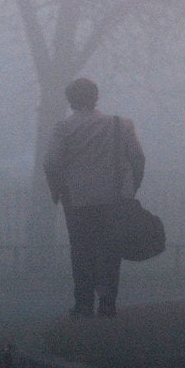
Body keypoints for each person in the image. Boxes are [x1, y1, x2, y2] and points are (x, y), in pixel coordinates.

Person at [43, 77, 145, 318]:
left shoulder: (63, 128)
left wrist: (57, 190)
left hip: (76, 199)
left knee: (81, 250)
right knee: (110, 251)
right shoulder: (120, 125)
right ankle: (108, 303)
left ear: (70, 101)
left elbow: (50, 162)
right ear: (96, 97)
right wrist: (131, 190)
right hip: (113, 199)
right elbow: (138, 159)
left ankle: (83, 303)